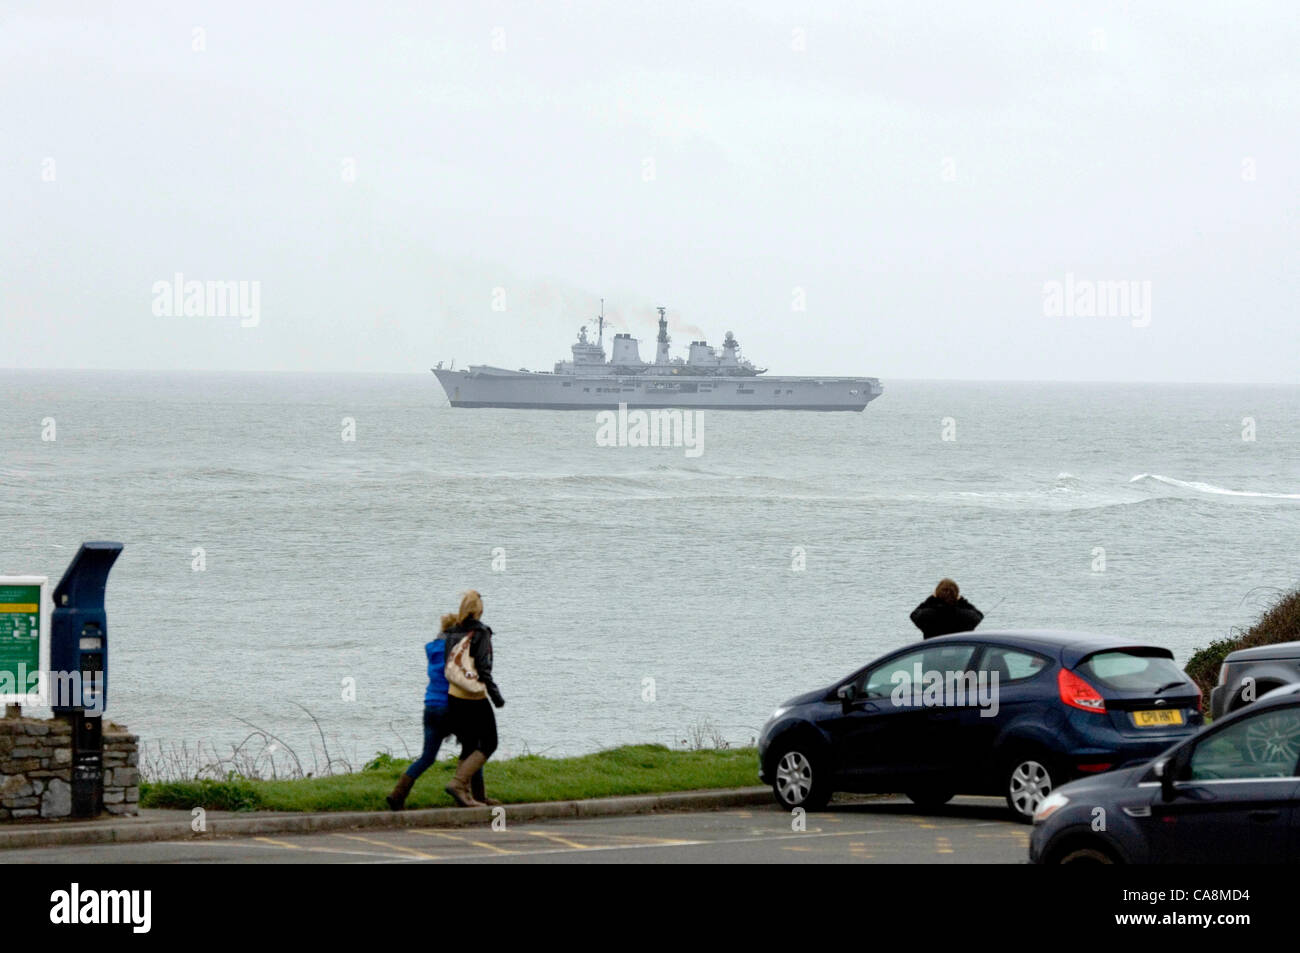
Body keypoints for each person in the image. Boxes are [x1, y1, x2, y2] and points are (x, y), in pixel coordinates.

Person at [441, 589, 506, 808]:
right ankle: (459, 784)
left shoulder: (450, 633)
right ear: (479, 610)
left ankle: (472, 796)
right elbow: (484, 668)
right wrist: (496, 696)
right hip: (474, 697)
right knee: (490, 742)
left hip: (454, 696)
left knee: (469, 745)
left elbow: (447, 666)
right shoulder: (481, 633)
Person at [385, 614, 452, 811]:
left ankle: (398, 794)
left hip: (430, 706)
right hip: (449, 706)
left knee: (427, 757)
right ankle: (471, 794)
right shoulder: (454, 650)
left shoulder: (432, 649)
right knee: (473, 748)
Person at [910, 578, 984, 638]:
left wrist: (931, 599)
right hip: (961, 654)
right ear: (956, 595)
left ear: (937, 594)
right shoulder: (967, 616)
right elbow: (979, 615)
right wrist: (962, 601)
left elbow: (914, 614)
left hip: (933, 653)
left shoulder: (926, 615)